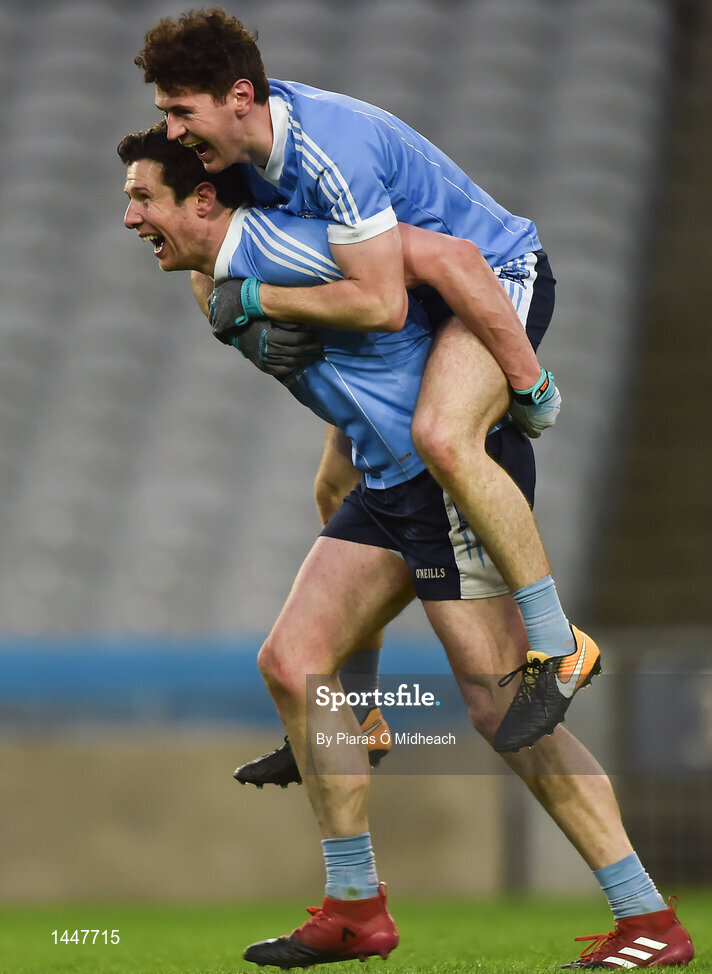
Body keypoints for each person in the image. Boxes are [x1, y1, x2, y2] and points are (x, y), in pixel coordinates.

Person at [119, 124, 694, 971]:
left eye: (143, 198)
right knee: (293, 663)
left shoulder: (303, 241)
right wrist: (252, 335)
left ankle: (646, 917)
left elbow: (452, 265)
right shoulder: (216, 272)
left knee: (504, 711)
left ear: (203, 199)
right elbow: (313, 354)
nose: (130, 217)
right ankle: (355, 906)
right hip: (384, 479)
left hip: (444, 480)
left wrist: (527, 383)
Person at [134, 8, 598, 752]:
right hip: (428, 304)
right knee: (333, 485)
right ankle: (363, 709)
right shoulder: (237, 157)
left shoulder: (329, 151)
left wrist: (528, 383)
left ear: (240, 97)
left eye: (181, 111)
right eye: (166, 112)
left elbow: (383, 305)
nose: (173, 129)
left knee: (440, 435)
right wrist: (244, 323)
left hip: (493, 276)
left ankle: (559, 643)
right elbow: (214, 258)